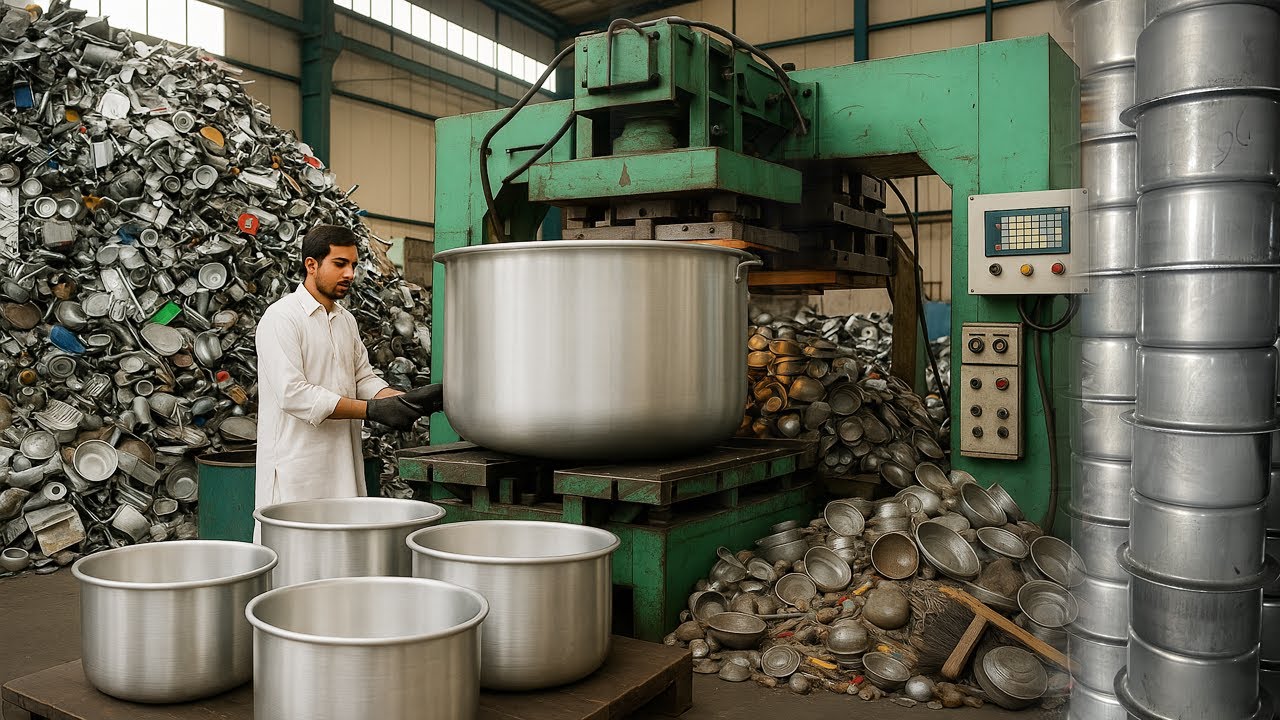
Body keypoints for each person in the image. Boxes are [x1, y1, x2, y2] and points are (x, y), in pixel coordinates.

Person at [253, 224, 441, 518]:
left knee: (343, 553)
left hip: (342, 464)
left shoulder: (345, 320)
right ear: (311, 265)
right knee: (298, 556)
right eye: (340, 264)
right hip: (297, 472)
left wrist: (402, 401)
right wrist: (371, 410)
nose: (350, 274)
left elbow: (362, 378)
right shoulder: (281, 318)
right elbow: (293, 394)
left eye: (353, 265)